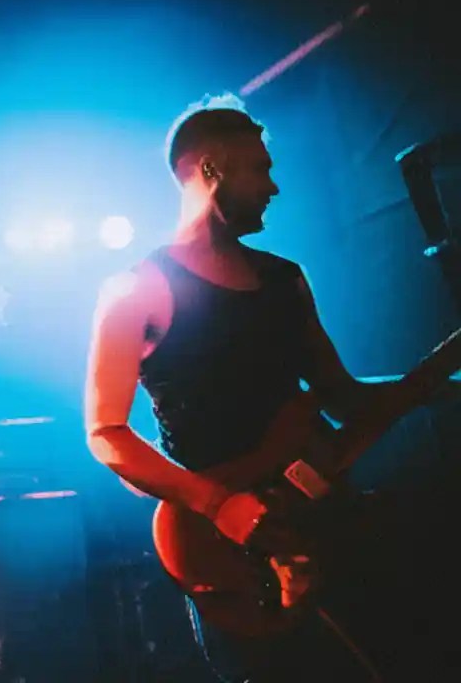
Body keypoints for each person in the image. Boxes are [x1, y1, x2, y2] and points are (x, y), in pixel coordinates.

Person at [82, 93, 455, 682]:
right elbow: (105, 433)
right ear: (210, 169)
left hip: (324, 519)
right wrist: (219, 504)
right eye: (262, 168)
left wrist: (441, 379)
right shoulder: (137, 289)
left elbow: (343, 397)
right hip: (229, 547)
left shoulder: (285, 279)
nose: (274, 187)